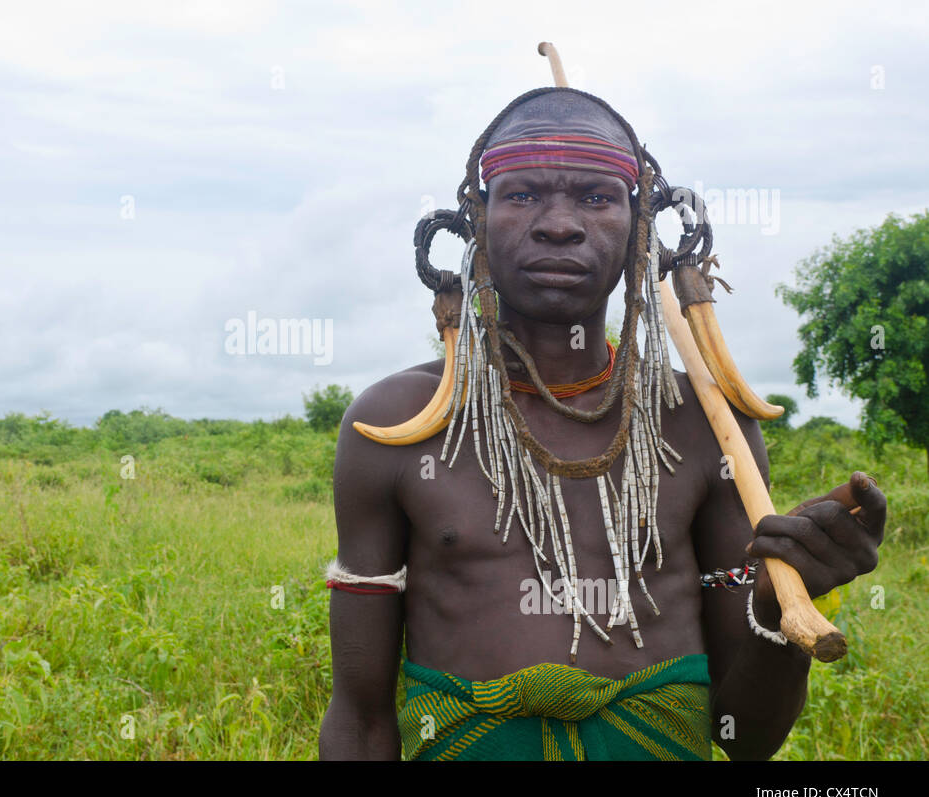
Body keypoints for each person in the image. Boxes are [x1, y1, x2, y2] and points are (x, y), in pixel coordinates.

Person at [318, 87, 886, 761]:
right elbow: (359, 720)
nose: (559, 223)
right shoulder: (398, 424)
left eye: (595, 197)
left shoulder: (705, 424)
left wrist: (775, 605)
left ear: (640, 227)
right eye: (523, 194)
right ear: (477, 224)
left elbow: (747, 738)